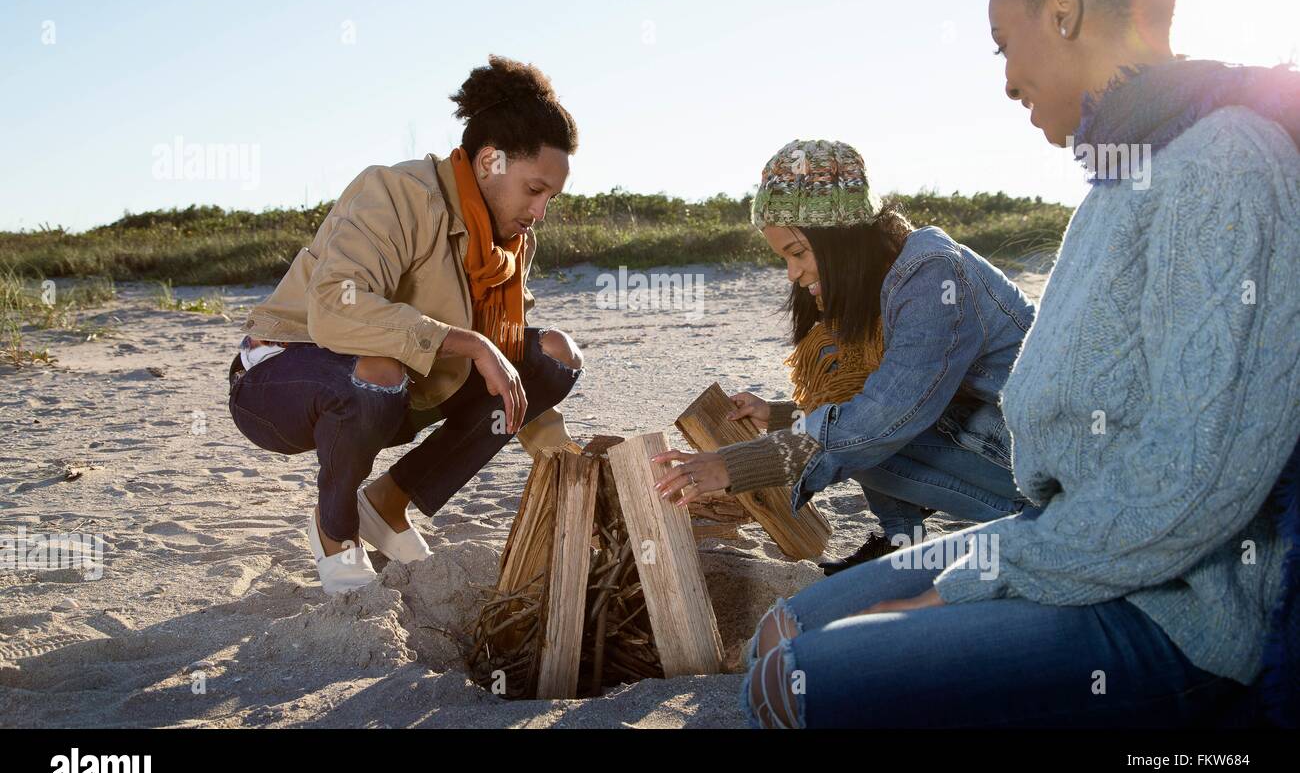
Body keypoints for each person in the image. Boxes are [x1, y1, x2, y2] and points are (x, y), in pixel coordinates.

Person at [734, 0, 1300, 728]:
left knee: (792, 683)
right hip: (1062, 534)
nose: (1005, 81)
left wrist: (977, 582)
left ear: (1063, 13)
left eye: (1006, 46)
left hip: (1173, 605)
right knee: (775, 634)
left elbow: (1192, 484)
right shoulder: (1121, 175)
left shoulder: (1223, 166)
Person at [228, 55, 585, 594]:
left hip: (403, 386)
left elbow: (513, 370)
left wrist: (570, 465)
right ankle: (334, 530)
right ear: (489, 161)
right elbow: (334, 305)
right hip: (281, 378)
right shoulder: (395, 194)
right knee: (380, 367)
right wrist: (468, 342)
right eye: (534, 189)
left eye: (550, 198)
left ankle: (386, 505)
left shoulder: (511, 242)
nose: (539, 211)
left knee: (553, 354)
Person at [653, 138, 1034, 573]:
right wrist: (781, 416)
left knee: (863, 441)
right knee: (849, 428)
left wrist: (736, 465)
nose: (794, 274)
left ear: (842, 238)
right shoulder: (896, 267)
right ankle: (901, 541)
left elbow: (882, 418)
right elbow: (890, 392)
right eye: (784, 258)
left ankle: (1039, 526)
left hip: (1048, 470)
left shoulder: (933, 277)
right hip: (997, 440)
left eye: (798, 253)